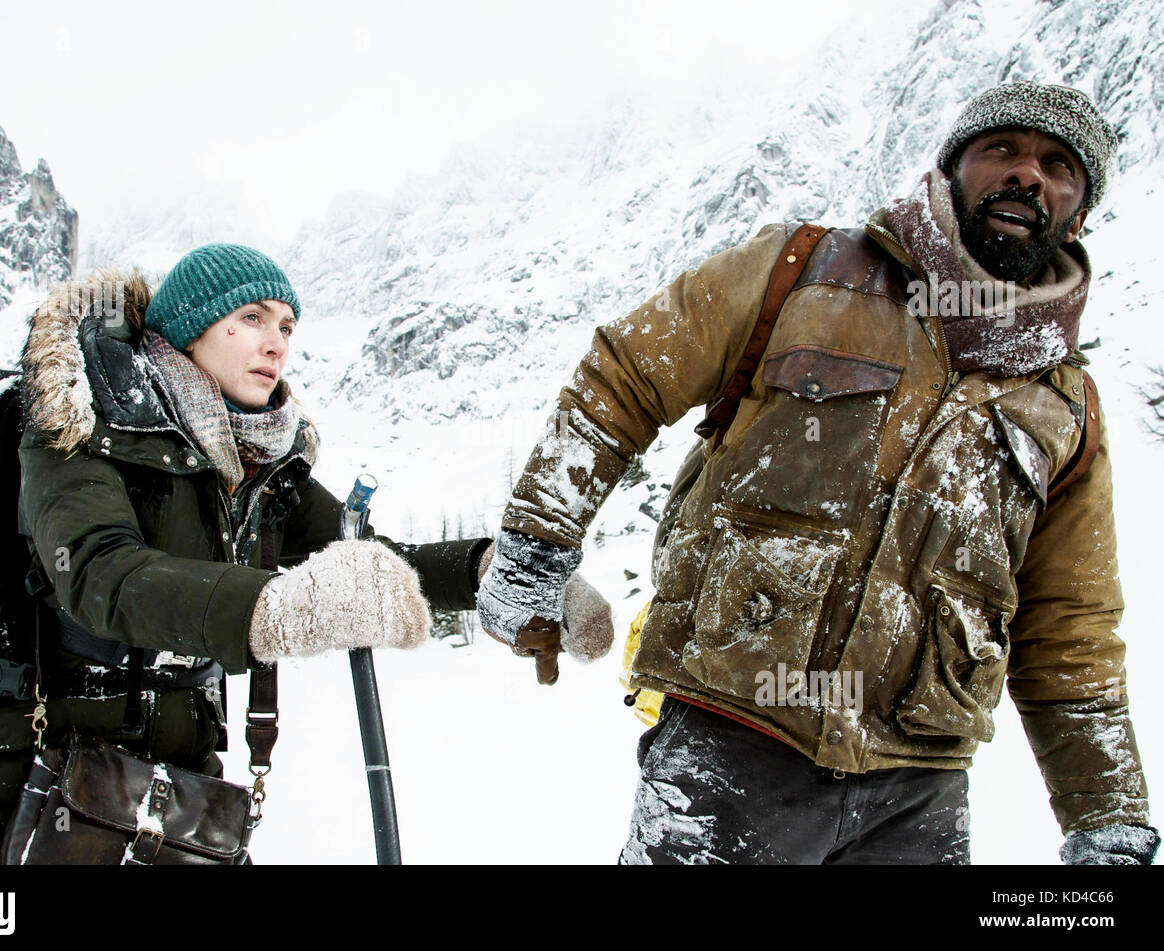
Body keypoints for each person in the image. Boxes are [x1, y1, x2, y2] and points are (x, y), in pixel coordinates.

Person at [477, 83, 1158, 865]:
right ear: (952, 169)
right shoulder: (801, 271)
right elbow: (626, 375)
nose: (1026, 174)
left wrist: (1109, 815)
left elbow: (1070, 632)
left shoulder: (1069, 410)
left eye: (1058, 166)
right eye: (1000, 149)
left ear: (1079, 214)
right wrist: (536, 542)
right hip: (734, 742)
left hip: (918, 796)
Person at [0, 243, 493, 864]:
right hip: (11, 791)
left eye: (286, 325)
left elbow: (374, 563)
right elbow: (100, 574)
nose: (276, 343)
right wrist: (281, 608)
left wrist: (491, 574)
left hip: (174, 799)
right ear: (193, 326)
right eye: (252, 318)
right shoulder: (77, 417)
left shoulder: (264, 462)